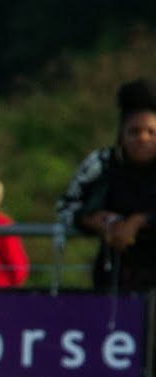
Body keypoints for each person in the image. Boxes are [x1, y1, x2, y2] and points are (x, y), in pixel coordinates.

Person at [57, 78, 156, 294]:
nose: (143, 139)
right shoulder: (101, 163)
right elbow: (65, 207)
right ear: (121, 133)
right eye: (134, 131)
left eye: (151, 132)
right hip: (113, 280)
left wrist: (139, 222)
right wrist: (94, 220)